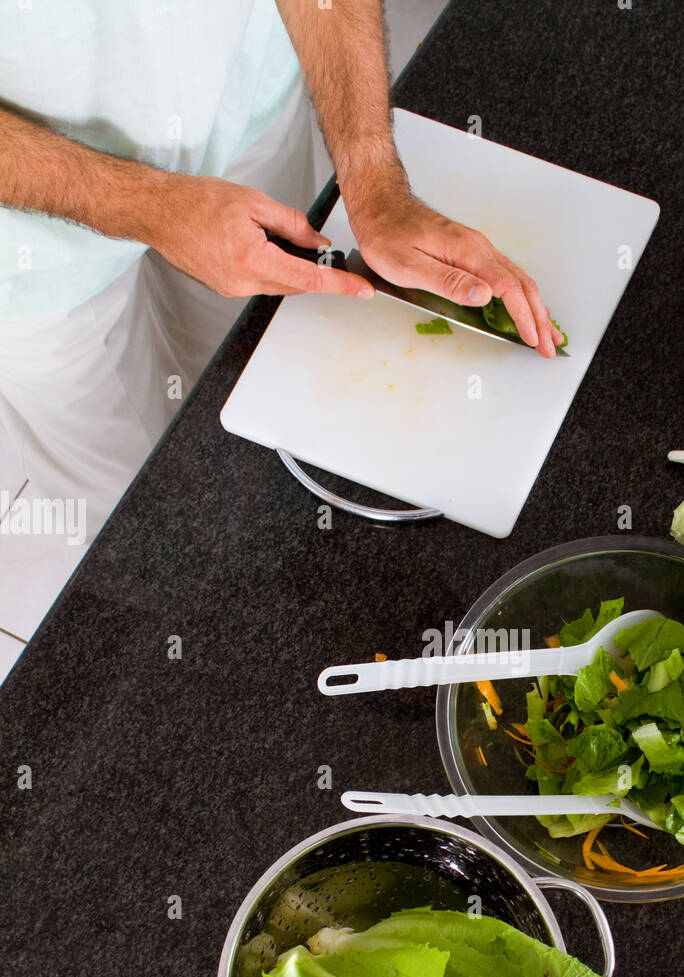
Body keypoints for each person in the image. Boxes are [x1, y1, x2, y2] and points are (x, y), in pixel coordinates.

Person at [0, 0, 561, 663]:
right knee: (137, 510)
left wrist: (372, 174)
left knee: (265, 396)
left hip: (241, 120)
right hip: (34, 246)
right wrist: (149, 205)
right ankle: (203, 639)